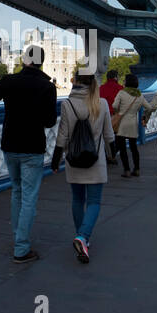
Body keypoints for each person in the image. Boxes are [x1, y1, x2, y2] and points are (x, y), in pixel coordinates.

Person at [0, 43, 57, 265]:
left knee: (17, 192)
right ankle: (21, 248)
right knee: (29, 197)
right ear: (40, 62)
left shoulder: (9, 81)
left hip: (9, 145)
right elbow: (50, 122)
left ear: (24, 60)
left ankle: (18, 237)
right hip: (32, 147)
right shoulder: (47, 87)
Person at [53, 66, 115, 263]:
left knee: (77, 200)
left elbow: (62, 135)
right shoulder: (102, 103)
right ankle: (83, 237)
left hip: (73, 159)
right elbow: (108, 135)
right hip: (95, 161)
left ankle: (82, 237)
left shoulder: (67, 104)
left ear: (76, 80)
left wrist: (55, 160)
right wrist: (114, 154)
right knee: (94, 201)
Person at [110, 73, 148, 178]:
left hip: (122, 123)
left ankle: (126, 170)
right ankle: (136, 169)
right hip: (133, 124)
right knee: (134, 147)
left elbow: (114, 105)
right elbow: (148, 107)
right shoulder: (139, 95)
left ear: (127, 82)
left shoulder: (122, 93)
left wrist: (119, 111)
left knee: (122, 148)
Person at [98, 69, 123, 165]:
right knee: (117, 136)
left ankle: (107, 155)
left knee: (106, 136)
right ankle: (112, 155)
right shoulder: (120, 88)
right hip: (116, 115)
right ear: (115, 77)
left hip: (104, 115)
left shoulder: (101, 88)